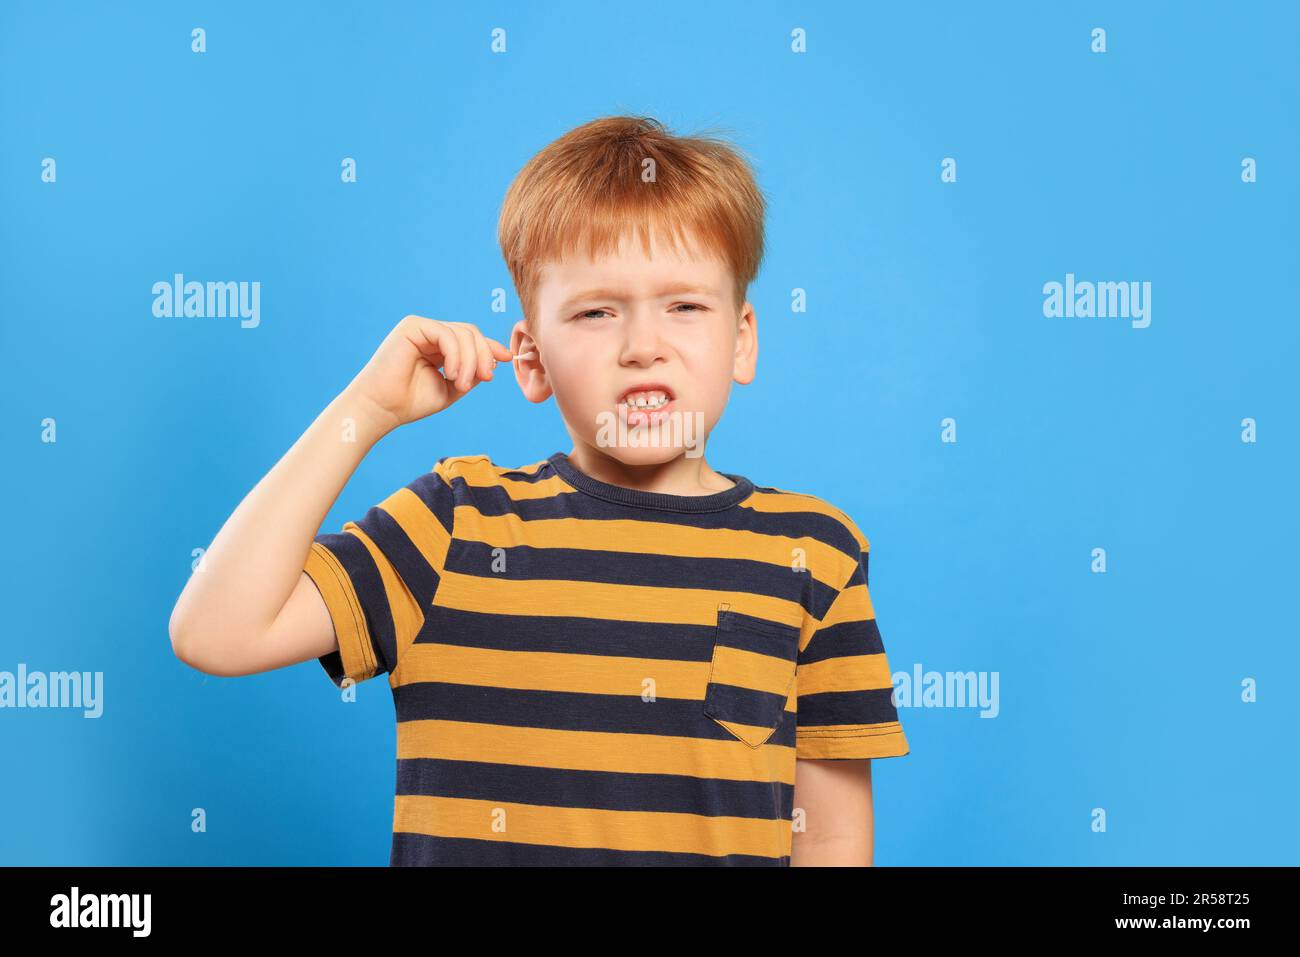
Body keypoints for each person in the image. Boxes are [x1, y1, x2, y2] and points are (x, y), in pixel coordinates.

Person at [168, 115, 911, 866]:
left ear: (742, 338)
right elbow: (214, 632)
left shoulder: (814, 554)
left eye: (684, 305)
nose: (642, 344)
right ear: (531, 360)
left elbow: (832, 837)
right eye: (596, 311)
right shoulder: (454, 525)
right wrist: (366, 413)